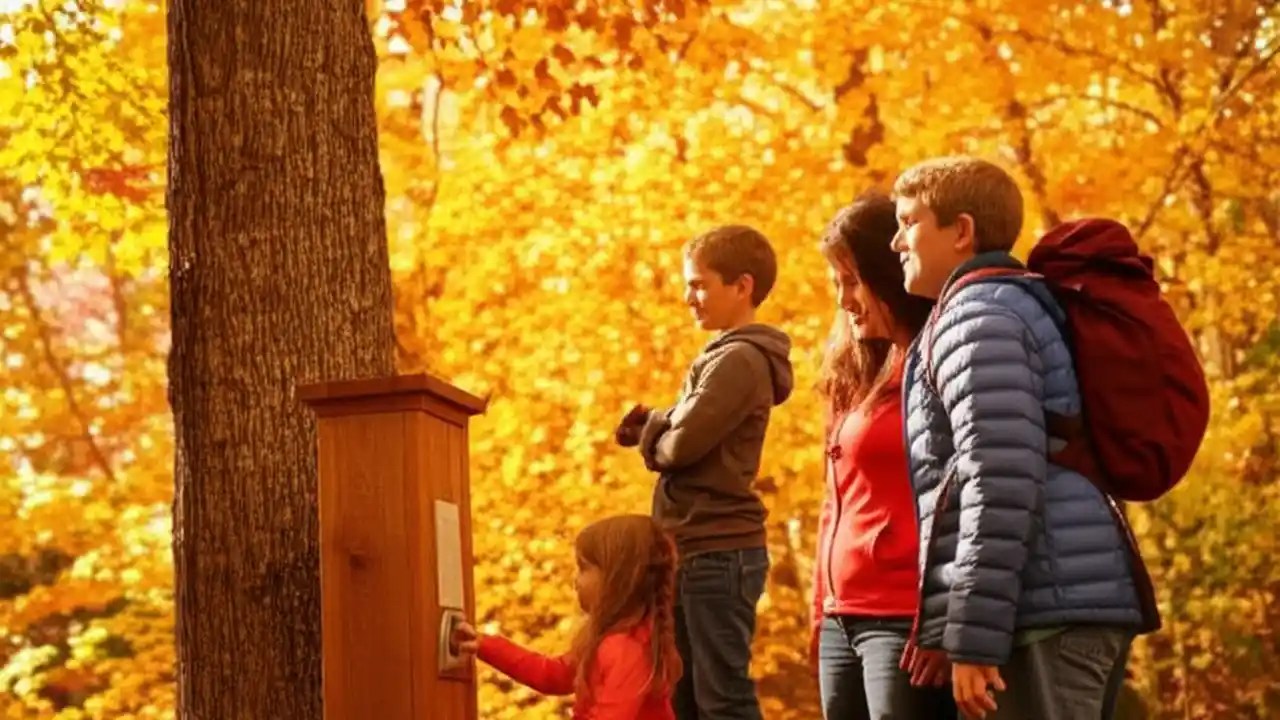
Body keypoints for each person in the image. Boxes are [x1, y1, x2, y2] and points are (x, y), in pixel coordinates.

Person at [891, 156, 1147, 720]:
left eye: (909, 222)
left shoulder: (978, 320)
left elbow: (1000, 480)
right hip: (1048, 603)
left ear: (961, 231)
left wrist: (974, 638)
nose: (896, 242)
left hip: (1046, 613)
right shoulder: (989, 310)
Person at [614, 225, 793, 720]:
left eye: (699, 285)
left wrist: (655, 426)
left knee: (722, 701)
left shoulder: (739, 360)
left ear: (742, 286)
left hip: (718, 551)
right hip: (690, 550)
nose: (687, 298)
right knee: (684, 701)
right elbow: (678, 437)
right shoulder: (718, 358)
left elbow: (679, 447)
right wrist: (661, 427)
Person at [809, 192, 953, 720]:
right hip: (841, 616)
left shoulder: (939, 359)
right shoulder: (855, 376)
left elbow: (967, 495)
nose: (844, 300)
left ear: (887, 275)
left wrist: (945, 616)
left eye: (853, 282)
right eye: (836, 284)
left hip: (903, 615)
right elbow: (833, 502)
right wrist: (820, 609)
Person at [452, 514, 681, 720]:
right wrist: (484, 645)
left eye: (583, 568)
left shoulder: (627, 650)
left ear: (617, 581)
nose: (575, 580)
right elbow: (551, 675)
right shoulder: (606, 642)